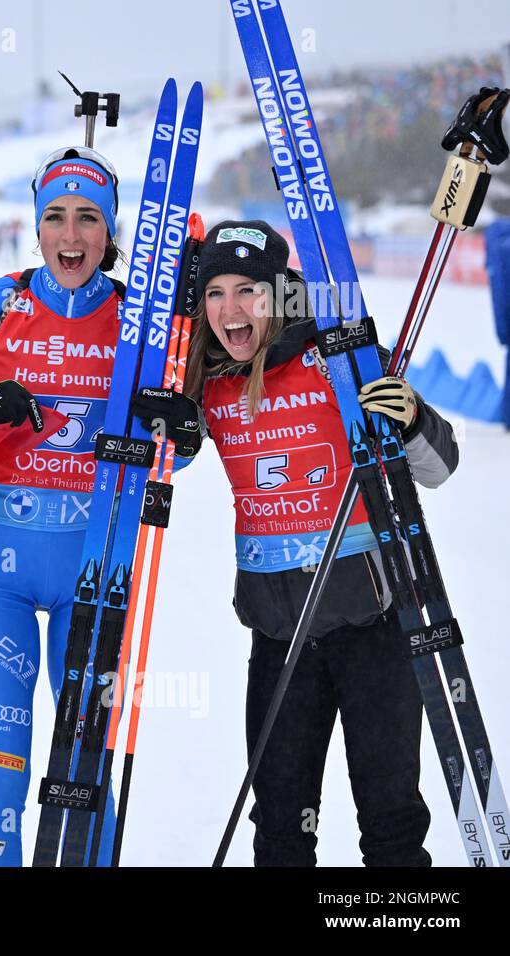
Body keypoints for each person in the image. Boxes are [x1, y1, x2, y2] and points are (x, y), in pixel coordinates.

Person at [0, 148, 203, 866]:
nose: (71, 235)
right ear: (37, 226)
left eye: (88, 218)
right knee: (3, 771)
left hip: (99, 563)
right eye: (55, 217)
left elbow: (186, 423)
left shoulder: (136, 317)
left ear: (109, 231)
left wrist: (180, 425)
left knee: (86, 772)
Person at [174, 219, 459, 866]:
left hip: (373, 630)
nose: (231, 310)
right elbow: (166, 455)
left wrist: (409, 417)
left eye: (247, 290)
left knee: (391, 827)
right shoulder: (209, 380)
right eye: (215, 293)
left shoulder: (338, 357)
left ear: (280, 293)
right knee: (279, 831)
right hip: (278, 640)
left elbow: (441, 469)